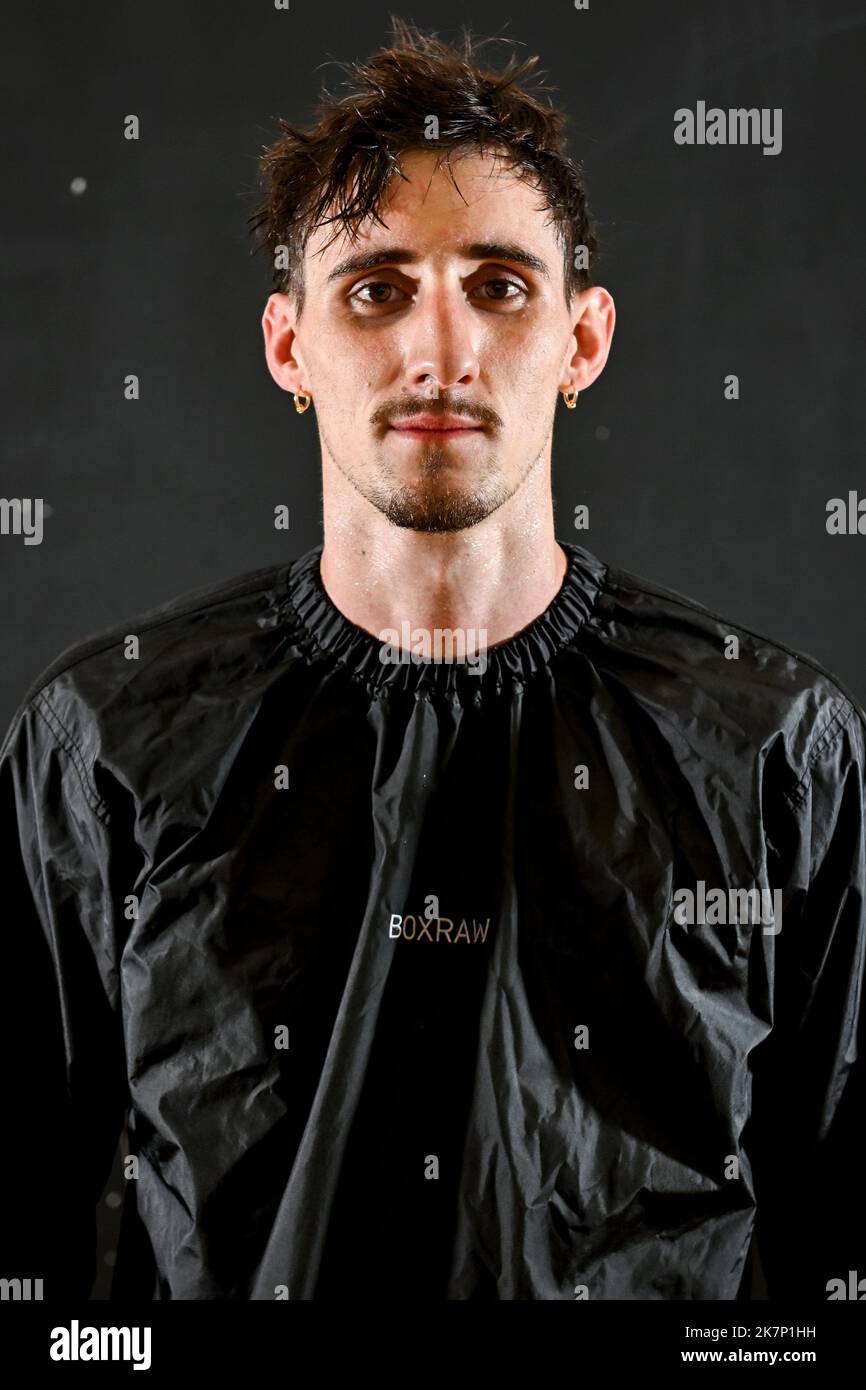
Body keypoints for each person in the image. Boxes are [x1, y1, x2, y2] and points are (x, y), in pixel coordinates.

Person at [1, 18, 863, 1303]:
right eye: (376, 286)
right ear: (289, 345)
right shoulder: (105, 737)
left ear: (582, 341)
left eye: (500, 285)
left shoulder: (775, 746)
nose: (440, 353)